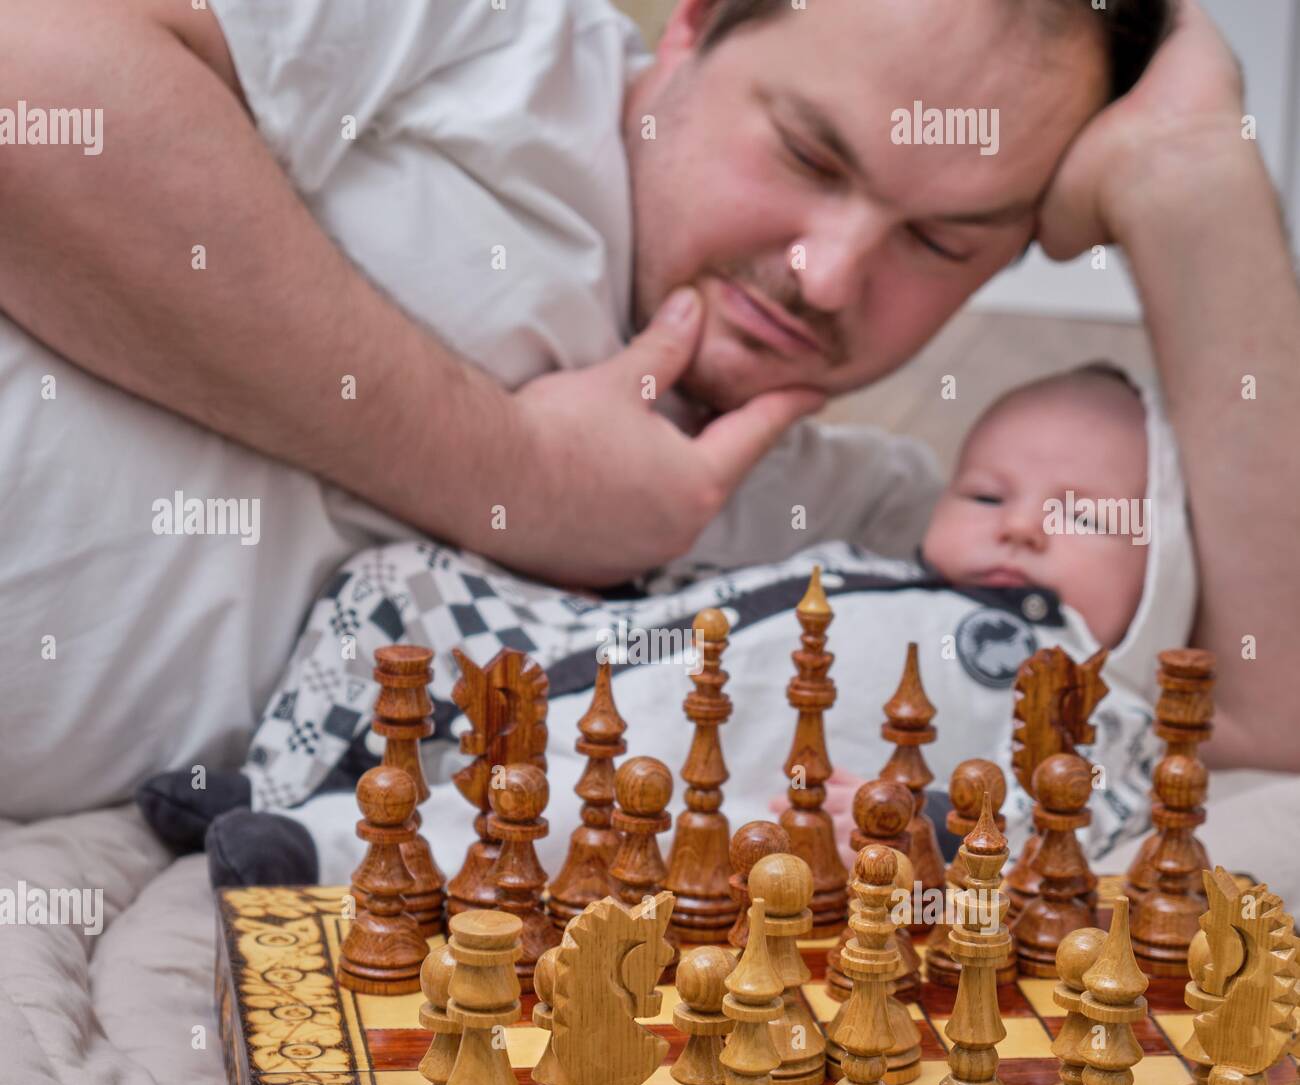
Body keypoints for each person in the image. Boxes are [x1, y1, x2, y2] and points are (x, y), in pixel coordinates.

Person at [1, 0, 1296, 826]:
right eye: (807, 154)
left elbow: (1258, 708)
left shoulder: (838, 527)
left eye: (945, 242)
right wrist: (514, 474)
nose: (831, 275)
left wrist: (1196, 181)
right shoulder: (485, 39)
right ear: (692, 29)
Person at [158, 360, 1185, 889]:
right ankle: (281, 767)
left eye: (1087, 514)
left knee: (554, 816)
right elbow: (747, 597)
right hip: (598, 645)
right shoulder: (882, 575)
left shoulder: (1091, 701)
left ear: (1166, 573)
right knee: (398, 582)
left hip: (685, 772)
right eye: (985, 492)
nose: (1019, 525)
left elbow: (1078, 840)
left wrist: (923, 831)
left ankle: (313, 846)